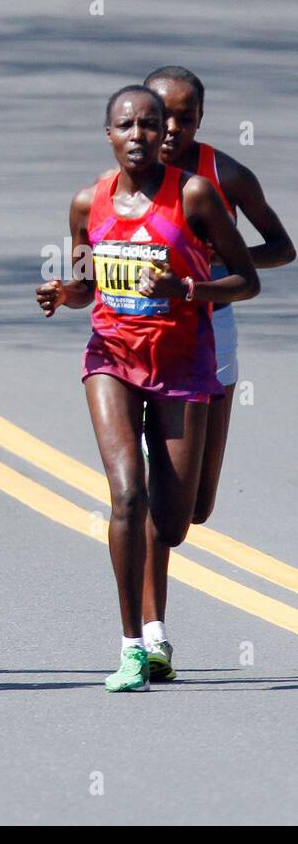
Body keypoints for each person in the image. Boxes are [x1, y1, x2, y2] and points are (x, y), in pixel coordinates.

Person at [35, 85, 258, 692]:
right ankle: (133, 643)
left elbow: (247, 280)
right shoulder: (89, 202)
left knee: (176, 518)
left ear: (165, 134)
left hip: (185, 365)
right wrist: (65, 292)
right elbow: (87, 283)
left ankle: (153, 627)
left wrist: (186, 292)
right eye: (125, 124)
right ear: (108, 134)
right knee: (126, 496)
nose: (138, 134)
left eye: (149, 125)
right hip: (111, 357)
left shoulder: (194, 194)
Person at [137, 66, 295, 680]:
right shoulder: (125, 180)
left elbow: (281, 247)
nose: (170, 129)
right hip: (142, 344)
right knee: (154, 493)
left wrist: (206, 272)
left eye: (184, 118)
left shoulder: (223, 176)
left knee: (192, 510)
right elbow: (90, 248)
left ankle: (162, 507)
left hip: (212, 333)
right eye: (160, 115)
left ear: (200, 120)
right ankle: (152, 634)